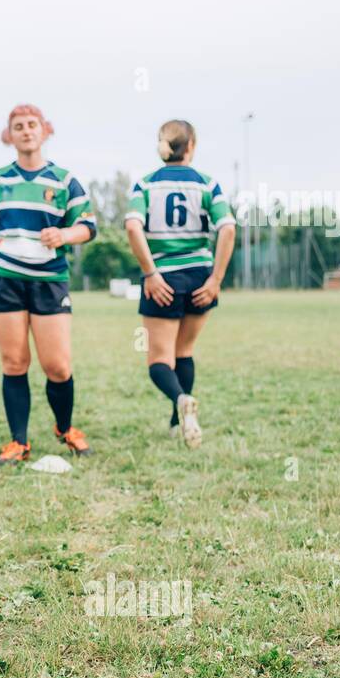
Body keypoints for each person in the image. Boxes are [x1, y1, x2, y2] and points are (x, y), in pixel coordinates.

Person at [0, 104, 97, 464]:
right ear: (9, 136)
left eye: (32, 125)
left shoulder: (64, 180)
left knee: (58, 366)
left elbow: (89, 227)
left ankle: (65, 429)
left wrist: (65, 234)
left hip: (50, 282)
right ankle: (19, 442)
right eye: (18, 126)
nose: (26, 130)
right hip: (3, 280)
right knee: (15, 362)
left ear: (45, 131)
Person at [124, 119, 236, 448]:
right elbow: (227, 229)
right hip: (200, 276)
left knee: (159, 360)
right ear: (191, 146)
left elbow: (132, 227)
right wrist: (216, 279)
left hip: (163, 279)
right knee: (184, 351)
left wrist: (150, 273)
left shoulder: (145, 185)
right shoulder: (207, 184)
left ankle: (180, 402)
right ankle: (179, 422)